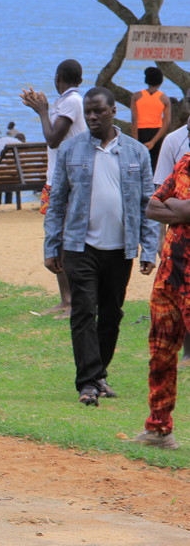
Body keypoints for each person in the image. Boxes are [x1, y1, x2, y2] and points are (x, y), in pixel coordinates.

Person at [43, 87, 158, 407]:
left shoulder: (137, 152)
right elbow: (57, 202)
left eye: (99, 112)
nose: (92, 117)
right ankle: (88, 382)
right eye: (88, 112)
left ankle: (99, 374)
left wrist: (149, 249)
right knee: (83, 311)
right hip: (80, 246)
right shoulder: (71, 150)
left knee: (112, 314)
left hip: (120, 248)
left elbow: (147, 203)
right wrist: (52, 246)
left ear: (113, 112)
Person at [21, 58, 88, 320]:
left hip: (69, 183)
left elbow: (52, 139)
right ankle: (66, 300)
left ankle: (72, 302)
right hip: (58, 181)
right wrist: (44, 108)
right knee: (56, 241)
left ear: (58, 77)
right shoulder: (65, 101)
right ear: (79, 79)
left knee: (65, 241)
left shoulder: (72, 101)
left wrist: (41, 111)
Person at [133, 151, 189, 450]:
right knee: (161, 352)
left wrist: (177, 208)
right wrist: (183, 210)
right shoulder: (185, 163)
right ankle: (158, 429)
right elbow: (153, 206)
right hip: (169, 274)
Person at [152, 86, 190, 367]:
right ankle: (186, 352)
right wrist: (179, 213)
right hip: (178, 241)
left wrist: (183, 208)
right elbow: (155, 200)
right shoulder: (175, 142)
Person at [131, 66, 172, 172]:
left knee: (139, 166)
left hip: (140, 133)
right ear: (160, 81)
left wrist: (135, 142)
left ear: (146, 80)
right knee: (155, 167)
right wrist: (153, 142)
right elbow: (167, 122)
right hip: (157, 134)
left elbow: (134, 120)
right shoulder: (164, 98)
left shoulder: (136, 96)